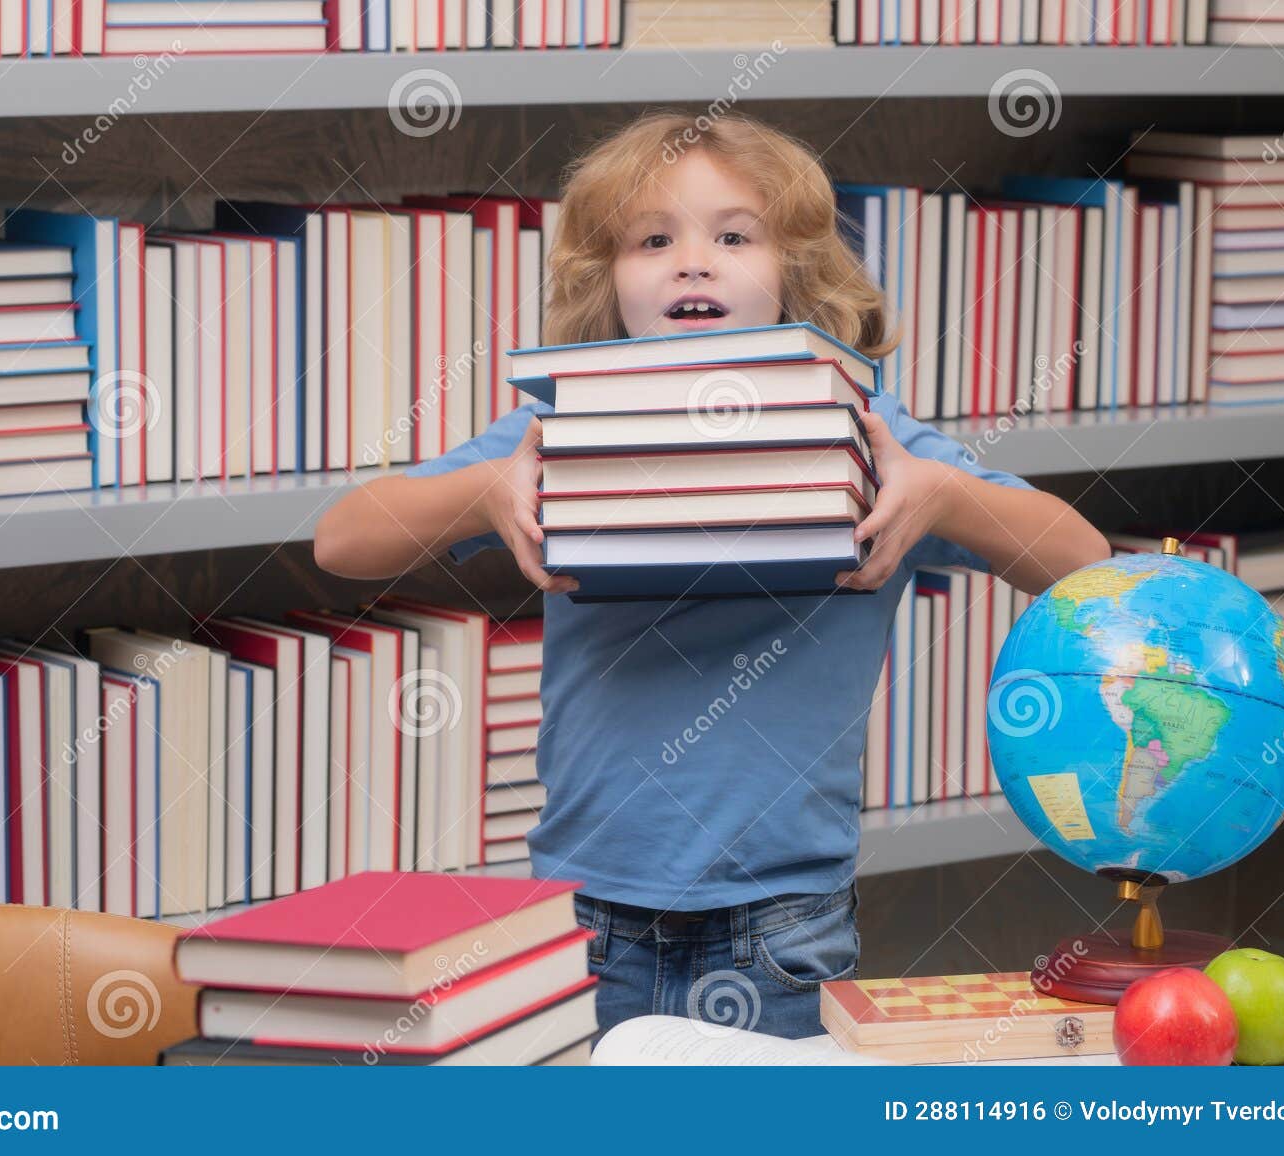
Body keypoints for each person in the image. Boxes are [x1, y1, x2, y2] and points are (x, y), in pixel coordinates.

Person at [314, 110, 1110, 1041]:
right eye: (654, 240)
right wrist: (486, 491)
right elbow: (342, 543)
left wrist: (944, 496)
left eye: (735, 236)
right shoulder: (559, 430)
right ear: (608, 281)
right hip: (583, 912)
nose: (693, 261)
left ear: (796, 276)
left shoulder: (872, 433)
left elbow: (1084, 566)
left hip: (781, 921)